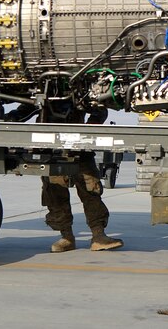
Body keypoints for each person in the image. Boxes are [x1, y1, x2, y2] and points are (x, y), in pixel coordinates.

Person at [40, 101, 124, 253]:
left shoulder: (77, 90)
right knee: (55, 193)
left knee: (91, 190)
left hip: (80, 147)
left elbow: (100, 108)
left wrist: (90, 126)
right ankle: (66, 237)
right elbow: (25, 107)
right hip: (52, 149)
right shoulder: (43, 91)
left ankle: (98, 235)